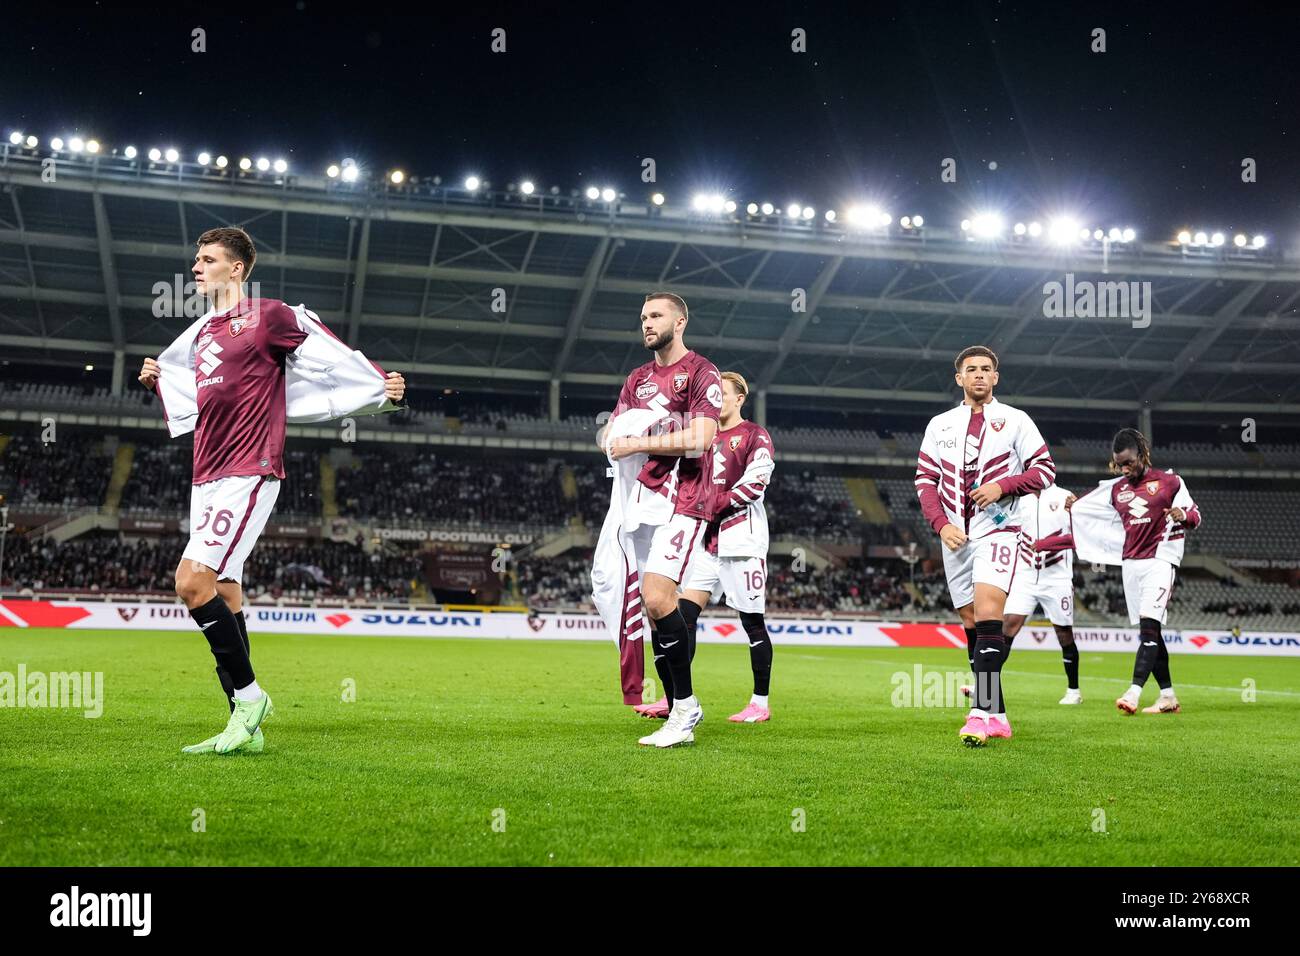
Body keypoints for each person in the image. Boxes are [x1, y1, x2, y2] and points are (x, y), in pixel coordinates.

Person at [139, 226, 405, 754]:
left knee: (191, 583)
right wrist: (158, 379)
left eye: (208, 259)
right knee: (227, 589)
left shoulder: (269, 315)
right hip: (206, 473)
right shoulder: (201, 335)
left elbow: (327, 352)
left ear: (236, 269)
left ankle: (251, 697)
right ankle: (246, 726)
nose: (196, 266)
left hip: (248, 469)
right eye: (196, 257)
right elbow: (200, 393)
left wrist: (378, 385)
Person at [913, 346, 1056, 746]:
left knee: (990, 613)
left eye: (986, 369)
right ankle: (1000, 714)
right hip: (955, 536)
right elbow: (925, 482)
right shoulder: (940, 424)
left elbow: (1045, 470)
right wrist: (940, 525)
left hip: (1001, 530)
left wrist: (1002, 486)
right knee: (973, 625)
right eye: (971, 369)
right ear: (959, 378)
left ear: (996, 377)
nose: (979, 375)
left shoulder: (1016, 420)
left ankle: (978, 713)